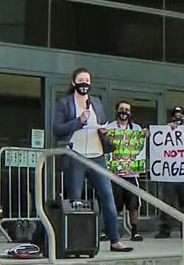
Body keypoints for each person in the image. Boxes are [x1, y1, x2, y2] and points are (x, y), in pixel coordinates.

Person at [53, 68, 133, 252]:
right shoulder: (64, 103)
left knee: (107, 196)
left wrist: (104, 133)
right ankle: (74, 241)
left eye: (87, 80)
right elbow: (57, 128)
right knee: (76, 199)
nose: (84, 83)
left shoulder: (96, 102)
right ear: (73, 82)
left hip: (97, 155)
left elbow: (102, 123)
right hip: (76, 155)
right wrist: (79, 121)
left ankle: (115, 239)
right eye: (81, 80)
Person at [103, 100, 146, 242]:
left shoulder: (136, 128)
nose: (124, 112)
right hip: (114, 174)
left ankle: (135, 231)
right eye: (121, 109)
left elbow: (141, 146)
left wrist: (145, 136)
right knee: (113, 204)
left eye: (127, 110)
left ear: (130, 113)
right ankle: (110, 231)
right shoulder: (109, 127)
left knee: (134, 205)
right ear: (117, 110)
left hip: (131, 173)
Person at [155, 106, 184, 239]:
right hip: (169, 176)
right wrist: (166, 129)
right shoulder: (164, 132)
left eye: (181, 115)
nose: (178, 118)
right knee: (167, 203)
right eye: (175, 115)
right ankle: (164, 230)